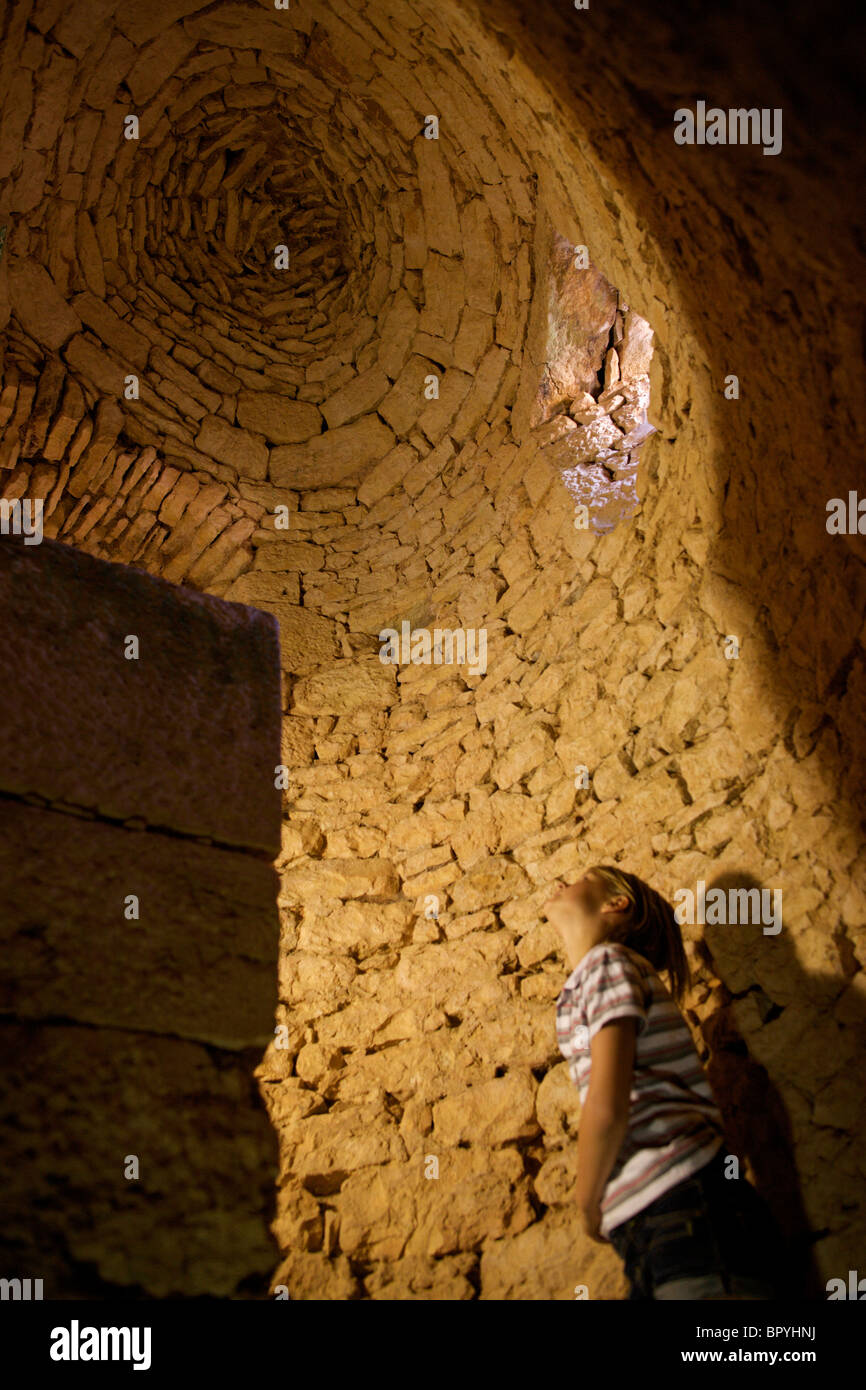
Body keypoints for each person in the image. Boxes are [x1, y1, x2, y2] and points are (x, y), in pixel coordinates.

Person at [544, 864, 784, 1300]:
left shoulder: (606, 964)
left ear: (616, 903)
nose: (560, 884)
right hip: (662, 1219)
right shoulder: (592, 978)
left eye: (579, 879)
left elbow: (608, 1103)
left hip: (684, 1204)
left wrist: (587, 1200)